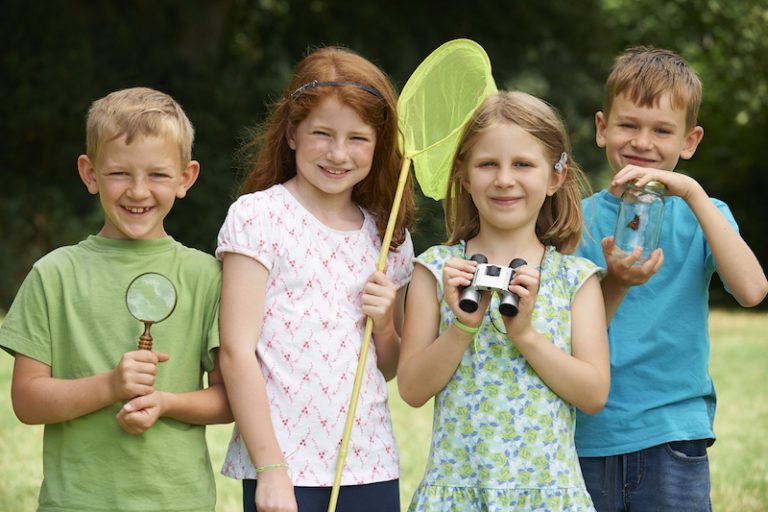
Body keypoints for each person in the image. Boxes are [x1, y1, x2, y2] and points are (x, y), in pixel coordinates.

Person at [0, 87, 232, 511]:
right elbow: (27, 402)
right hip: (76, 503)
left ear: (186, 177)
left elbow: (227, 398)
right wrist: (110, 386)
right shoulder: (54, 275)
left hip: (178, 502)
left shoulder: (208, 277)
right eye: (119, 173)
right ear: (90, 174)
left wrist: (166, 403)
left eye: (158, 175)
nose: (138, 191)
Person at [216, 46, 416, 512]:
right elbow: (235, 351)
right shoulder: (259, 217)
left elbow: (387, 367)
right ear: (291, 133)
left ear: (379, 144)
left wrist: (385, 324)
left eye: (357, 138)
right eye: (322, 133)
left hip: (369, 463)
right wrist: (270, 470)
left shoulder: (389, 238)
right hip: (283, 468)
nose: (338, 153)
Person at [575, 46, 768, 511]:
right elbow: (565, 329)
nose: (643, 142)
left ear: (689, 141)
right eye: (629, 125)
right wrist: (615, 281)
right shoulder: (574, 221)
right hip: (588, 435)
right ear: (602, 129)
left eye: (662, 131)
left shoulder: (706, 216)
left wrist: (693, 193)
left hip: (674, 434)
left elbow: (751, 290)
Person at [398, 91, 610, 511]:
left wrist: (525, 334)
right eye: (488, 164)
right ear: (463, 174)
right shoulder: (435, 270)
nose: (504, 179)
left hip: (548, 495)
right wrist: (462, 326)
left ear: (555, 176)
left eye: (523, 165)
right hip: (458, 493)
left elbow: (593, 394)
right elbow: (411, 389)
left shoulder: (575, 279)